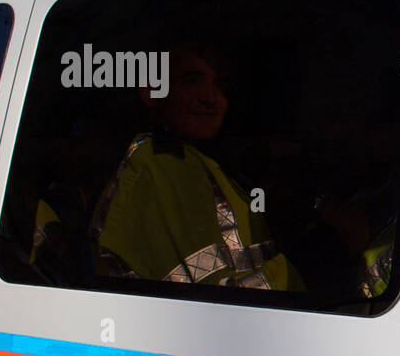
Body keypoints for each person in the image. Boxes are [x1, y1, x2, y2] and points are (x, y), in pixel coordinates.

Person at [91, 44, 304, 291]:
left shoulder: (204, 162)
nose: (210, 98)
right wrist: (325, 251)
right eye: (191, 81)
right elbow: (212, 299)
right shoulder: (163, 163)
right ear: (151, 89)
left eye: (220, 86)